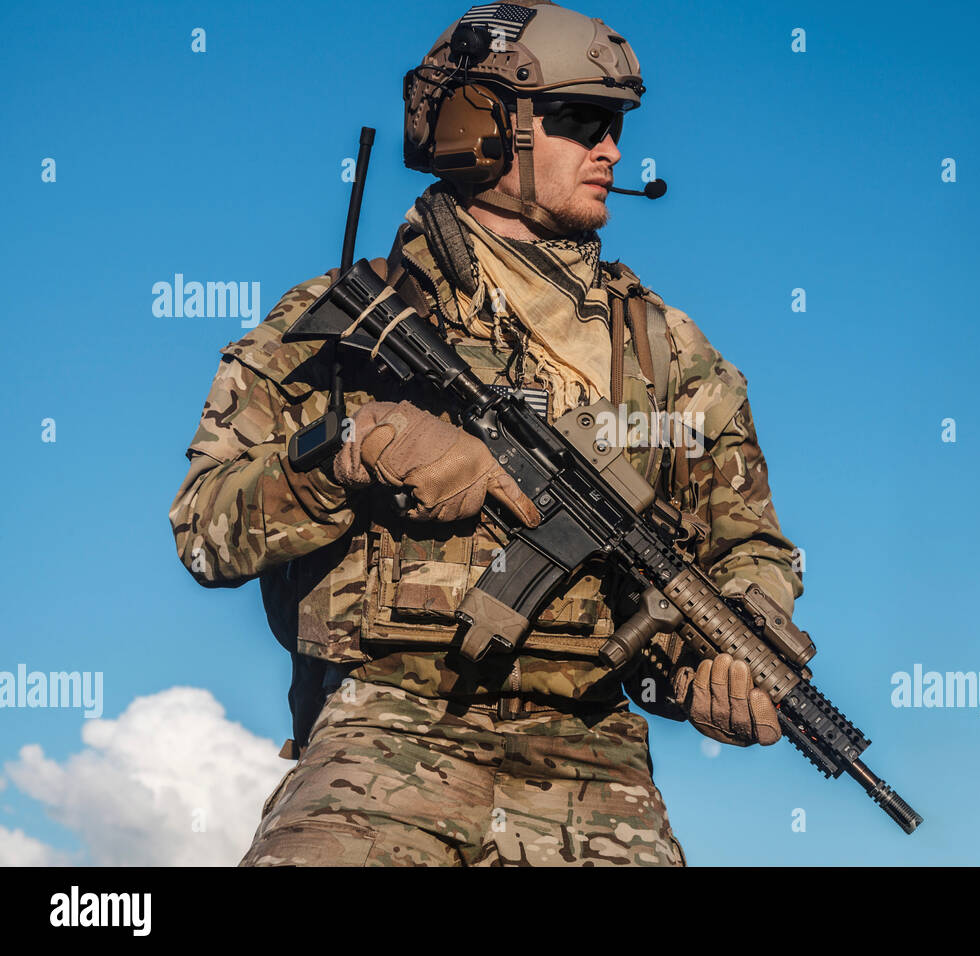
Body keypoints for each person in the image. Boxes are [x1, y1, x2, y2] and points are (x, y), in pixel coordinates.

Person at [168, 0, 803, 867]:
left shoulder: (670, 355)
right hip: (382, 733)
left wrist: (740, 647)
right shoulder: (338, 325)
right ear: (482, 127)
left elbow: (749, 547)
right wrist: (351, 447)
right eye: (582, 120)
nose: (611, 148)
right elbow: (204, 528)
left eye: (615, 122)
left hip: (594, 756)